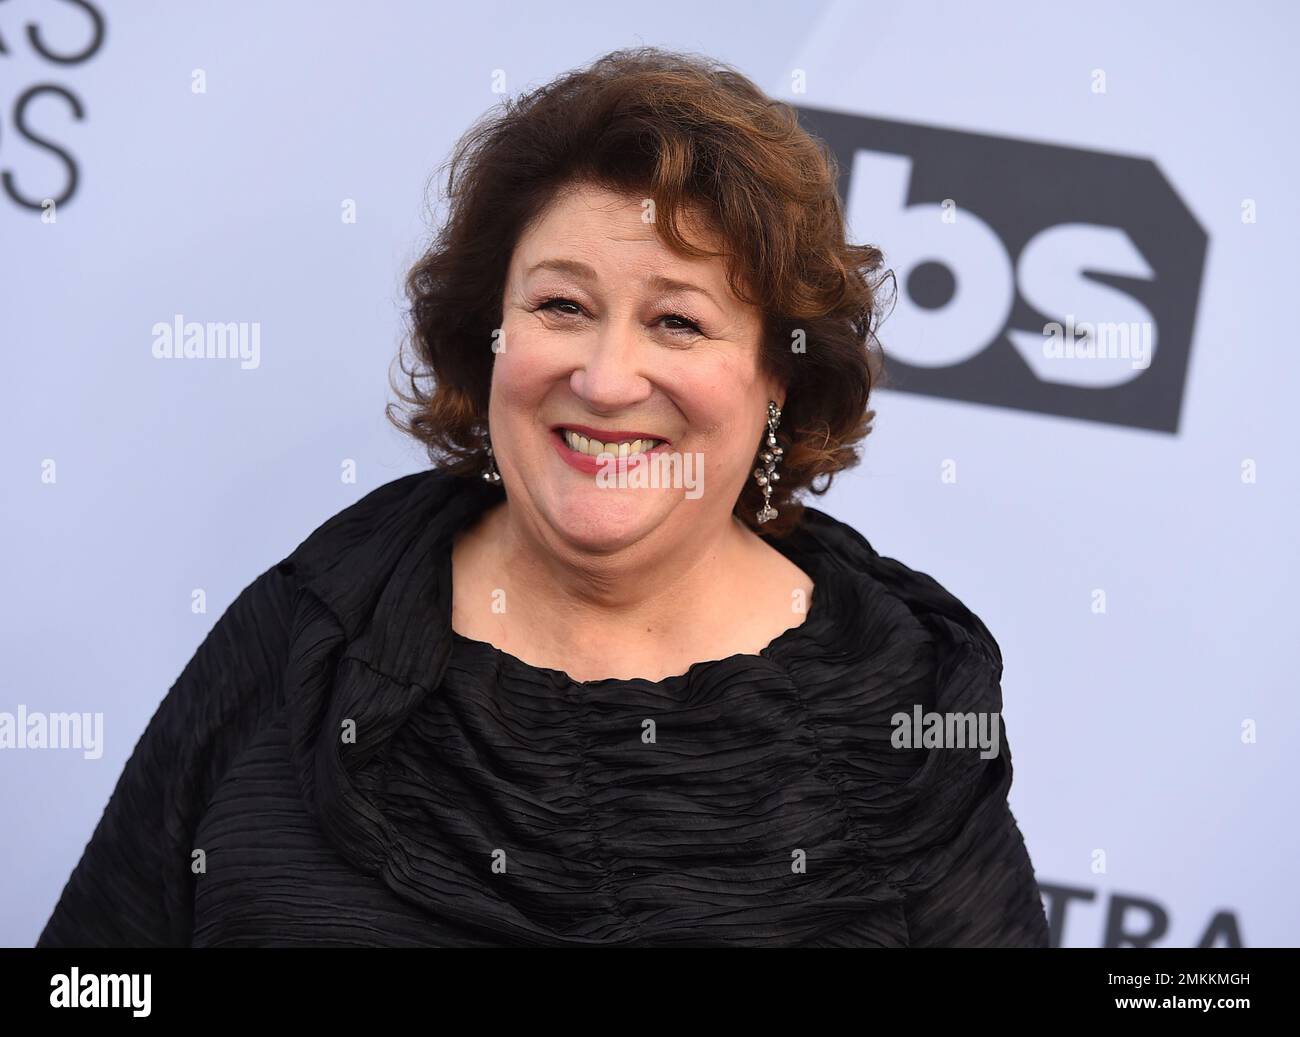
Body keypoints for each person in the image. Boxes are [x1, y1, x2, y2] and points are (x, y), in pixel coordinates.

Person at [37, 46, 1050, 947]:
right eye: (561, 305)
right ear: (489, 339)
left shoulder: (898, 702)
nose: (607, 379)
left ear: (779, 374)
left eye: (678, 323)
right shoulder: (318, 628)